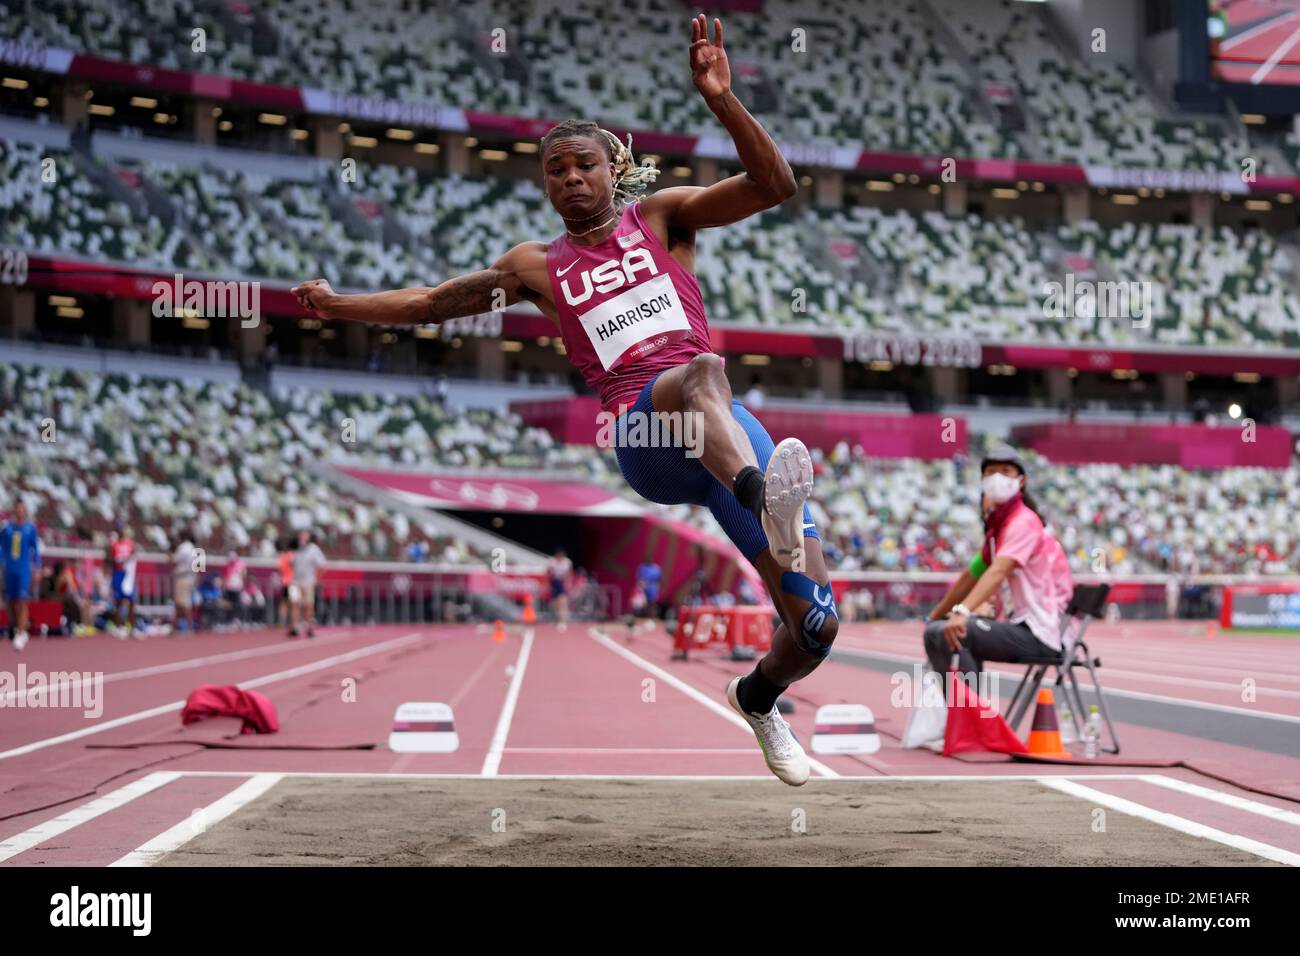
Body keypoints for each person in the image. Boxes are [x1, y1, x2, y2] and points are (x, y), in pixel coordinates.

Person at [291, 15, 836, 786]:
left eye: (584, 165)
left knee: (815, 625)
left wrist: (722, 99)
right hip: (649, 426)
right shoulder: (534, 266)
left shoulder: (664, 217)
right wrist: (338, 304)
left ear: (615, 168)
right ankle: (764, 498)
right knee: (702, 372)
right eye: (555, 171)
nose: (570, 179)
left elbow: (774, 186)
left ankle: (757, 696)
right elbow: (430, 304)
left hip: (725, 431)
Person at [923, 446, 1074, 696]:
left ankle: (972, 725)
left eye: (1006, 471)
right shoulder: (997, 532)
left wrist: (962, 611)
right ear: (983, 481)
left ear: (1021, 481)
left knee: (961, 631)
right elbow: (969, 578)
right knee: (934, 633)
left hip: (1040, 633)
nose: (997, 477)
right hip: (1016, 625)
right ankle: (958, 719)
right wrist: (934, 616)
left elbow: (998, 572)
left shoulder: (1023, 521)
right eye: (991, 471)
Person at [2, 501, 42, 651]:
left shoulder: (30, 529)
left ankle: (21, 632)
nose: (19, 512)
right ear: (14, 511)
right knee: (11, 602)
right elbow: (1, 546)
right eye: (17, 509)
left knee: (21, 601)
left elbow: (35, 549)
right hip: (9, 569)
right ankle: (15, 627)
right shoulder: (7, 529)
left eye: (22, 510)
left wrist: (37, 568)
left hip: (23, 569)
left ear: (25, 512)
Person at [106, 521, 139, 639]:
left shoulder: (130, 544)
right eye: (118, 528)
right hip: (118, 574)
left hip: (128, 576)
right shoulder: (113, 545)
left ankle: (133, 628)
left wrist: (129, 559)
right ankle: (118, 627)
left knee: (131, 602)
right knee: (118, 602)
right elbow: (109, 560)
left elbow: (134, 555)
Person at [290, 529, 326, 637]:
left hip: (308, 582)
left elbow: (322, 566)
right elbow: (289, 563)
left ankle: (309, 627)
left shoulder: (313, 549)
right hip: (295, 582)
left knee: (308, 605)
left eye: (304, 535)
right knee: (294, 604)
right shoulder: (295, 548)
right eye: (301, 535)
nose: (302, 537)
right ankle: (295, 627)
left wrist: (316, 579)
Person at [172, 529, 199, 634]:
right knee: (181, 603)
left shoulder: (183, 547)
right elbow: (199, 567)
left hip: (182, 576)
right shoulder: (195, 548)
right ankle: (177, 626)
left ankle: (189, 627)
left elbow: (175, 560)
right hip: (190, 577)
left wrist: (169, 553)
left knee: (183, 603)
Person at [548, 548, 573, 631]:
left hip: (562, 582)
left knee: (563, 601)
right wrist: (546, 584)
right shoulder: (552, 561)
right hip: (554, 582)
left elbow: (570, 574)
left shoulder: (567, 562)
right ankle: (558, 618)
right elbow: (547, 573)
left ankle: (562, 621)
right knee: (555, 603)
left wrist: (569, 584)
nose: (560, 557)